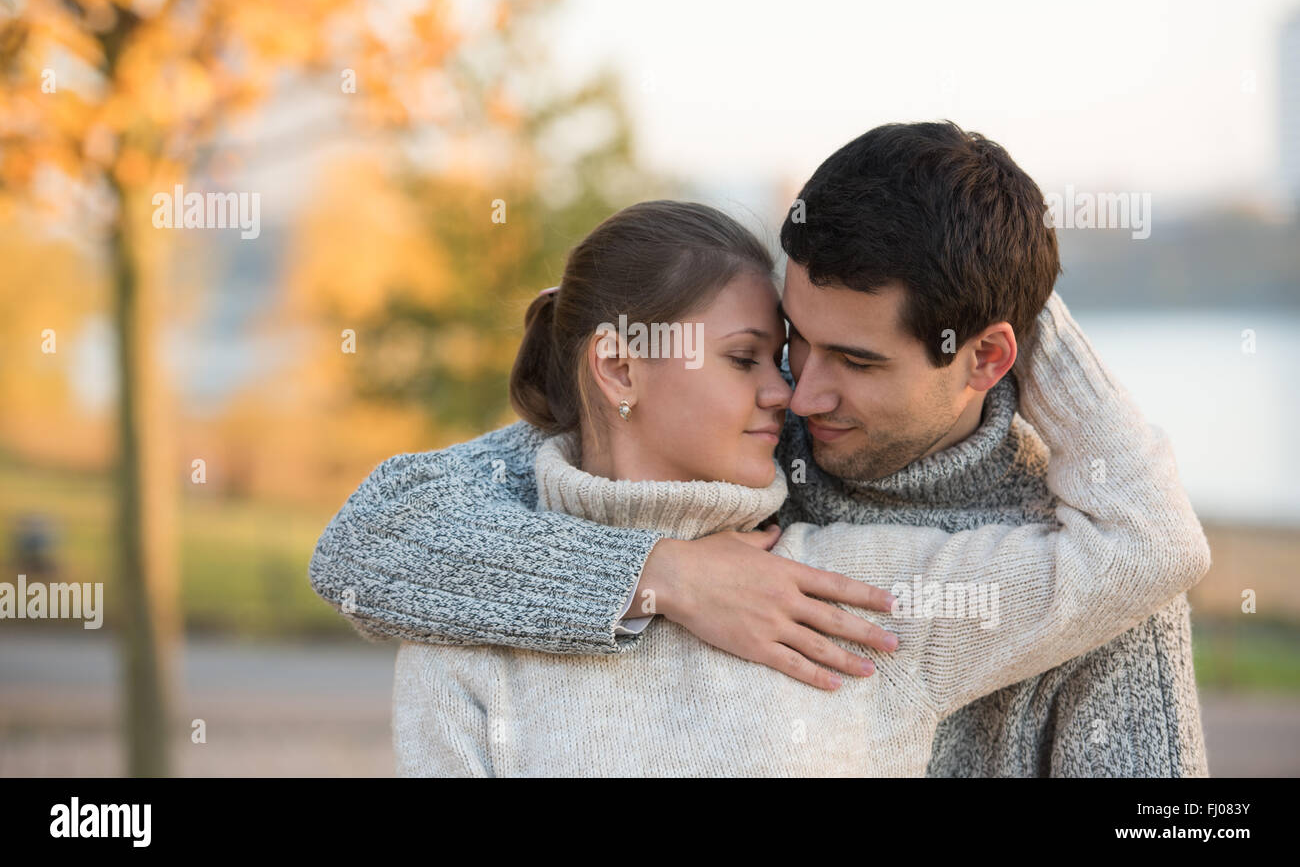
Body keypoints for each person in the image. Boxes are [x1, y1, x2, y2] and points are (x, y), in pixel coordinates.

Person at [310, 121, 1211, 776]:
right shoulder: (723, 458)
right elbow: (365, 540)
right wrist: (661, 573)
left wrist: (1017, 278)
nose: (797, 393)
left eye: (852, 359)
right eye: (783, 346)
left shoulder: (890, 588)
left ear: (986, 355)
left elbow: (1153, 550)